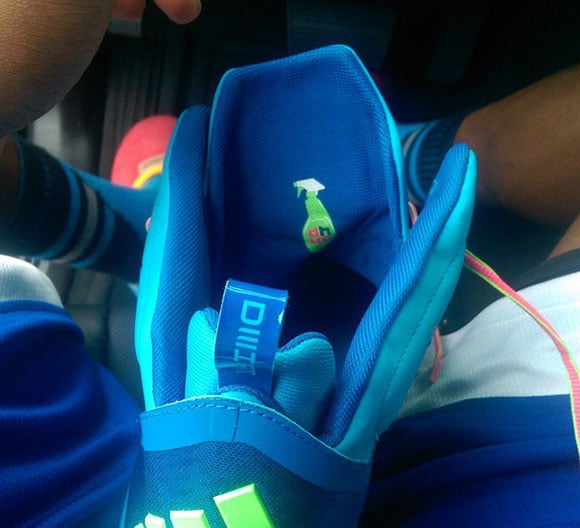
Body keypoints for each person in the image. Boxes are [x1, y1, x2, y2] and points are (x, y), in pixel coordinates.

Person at [0, 3, 578, 526]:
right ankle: (399, 172)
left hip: (72, 473)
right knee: (478, 158)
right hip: (513, 456)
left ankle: (121, 239)